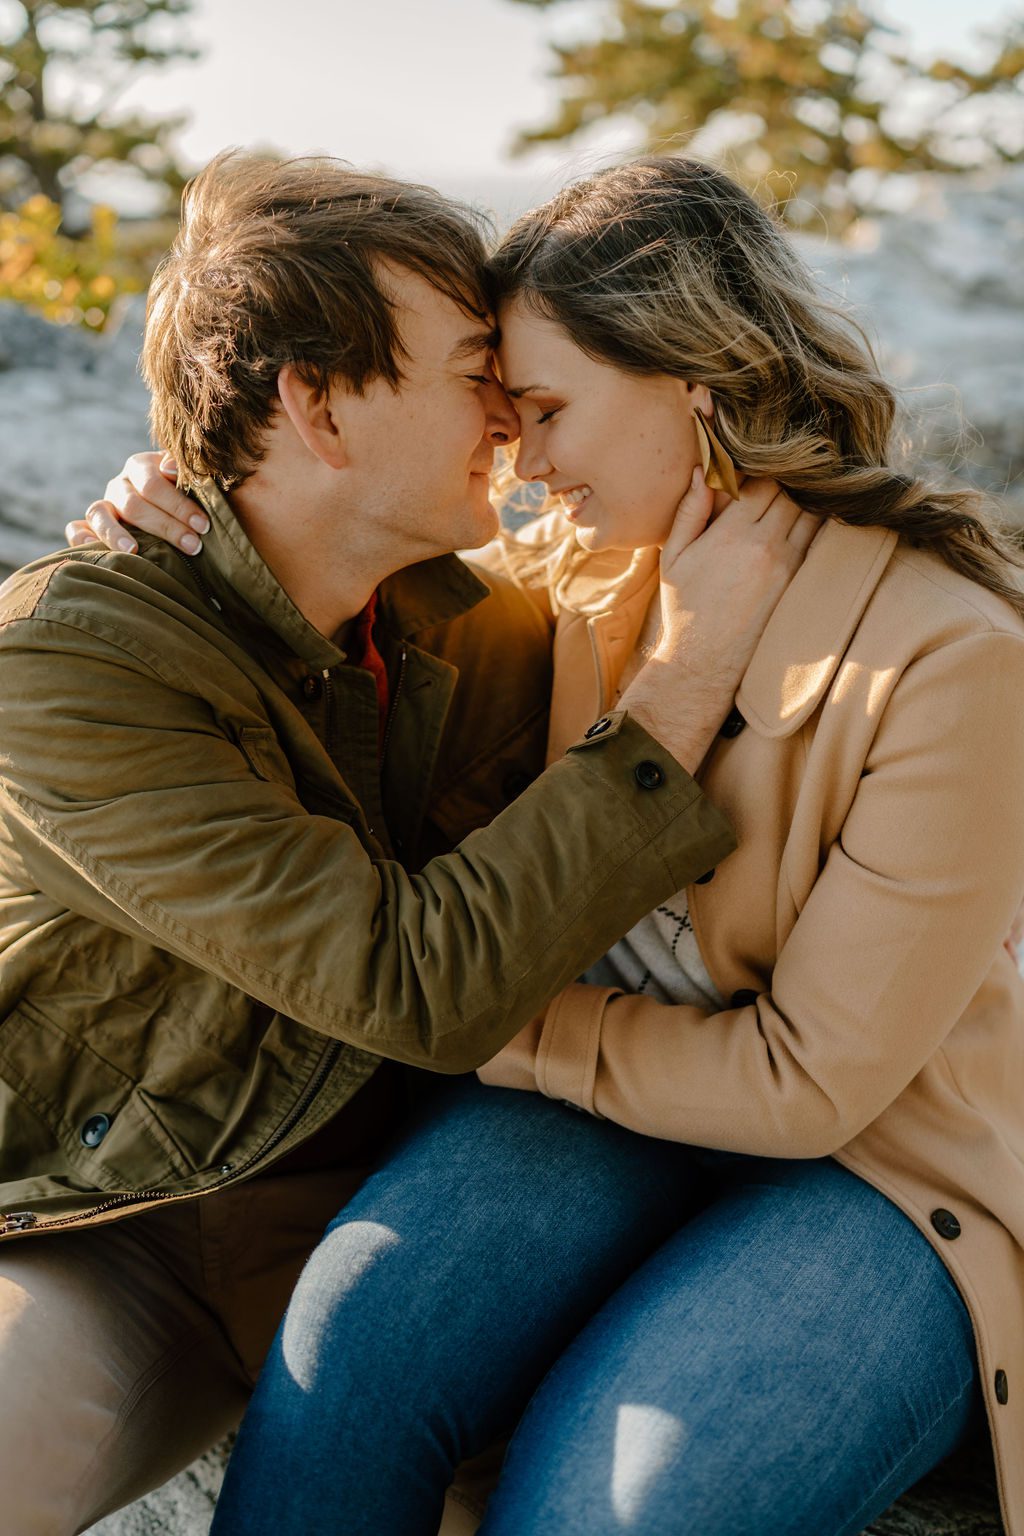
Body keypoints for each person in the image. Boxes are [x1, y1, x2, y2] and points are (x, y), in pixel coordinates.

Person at [82, 155, 1024, 1536]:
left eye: (546, 409)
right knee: (338, 1365)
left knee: (615, 1507)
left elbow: (807, 1089)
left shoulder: (956, 662)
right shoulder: (558, 587)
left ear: (694, 383)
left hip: (881, 1177)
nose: (518, 458)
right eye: (502, 409)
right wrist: (177, 503)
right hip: (598, 1121)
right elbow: (314, 569)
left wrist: (496, 1027)